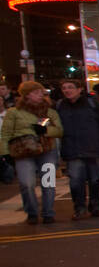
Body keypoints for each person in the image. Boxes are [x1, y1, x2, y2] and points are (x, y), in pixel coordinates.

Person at [56, 78, 99, 220]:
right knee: (76, 182)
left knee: (95, 181)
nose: (67, 90)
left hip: (94, 149)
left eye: (70, 87)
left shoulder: (92, 104)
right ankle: (79, 208)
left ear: (79, 89)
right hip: (73, 150)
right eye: (64, 88)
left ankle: (95, 206)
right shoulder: (60, 106)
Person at [1, 80, 62, 223]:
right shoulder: (13, 113)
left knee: (48, 182)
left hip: (47, 150)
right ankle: (32, 211)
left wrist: (46, 130)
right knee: (26, 183)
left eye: (41, 92)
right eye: (36, 92)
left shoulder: (49, 111)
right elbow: (6, 133)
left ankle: (48, 212)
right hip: (23, 152)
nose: (40, 95)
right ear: (26, 95)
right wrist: (5, 153)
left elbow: (59, 130)